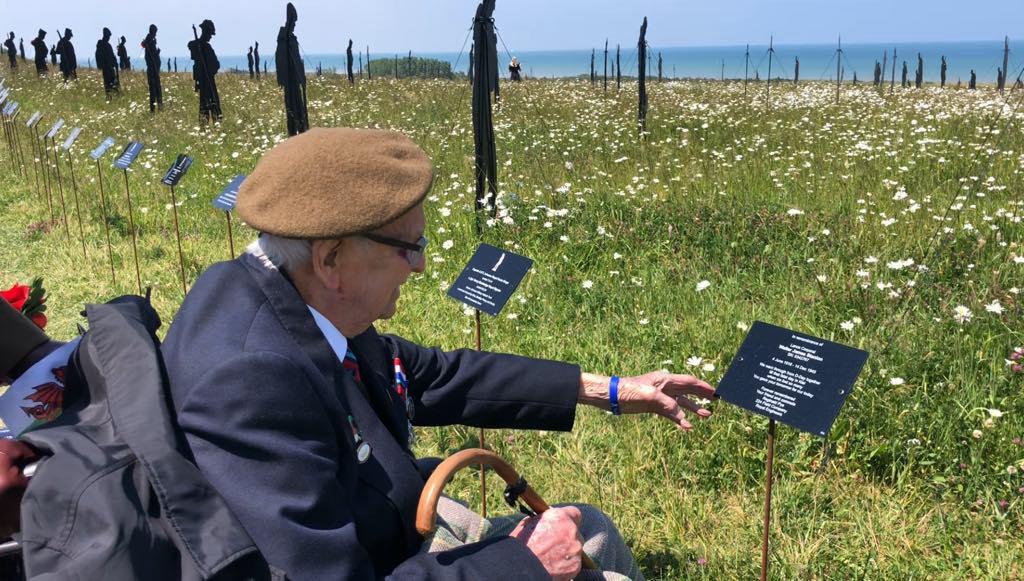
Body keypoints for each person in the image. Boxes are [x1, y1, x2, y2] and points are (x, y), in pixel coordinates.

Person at [163, 128, 714, 580]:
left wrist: (610, 391)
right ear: (331, 258)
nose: (421, 266)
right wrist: (523, 563)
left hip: (386, 522)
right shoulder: (249, 380)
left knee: (589, 528)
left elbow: (430, 376)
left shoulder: (288, 295)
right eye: (410, 247)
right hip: (382, 555)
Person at [275, 3, 307, 136]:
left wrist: (301, 76)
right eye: (293, 22)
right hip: (290, 81)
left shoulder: (291, 39)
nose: (294, 25)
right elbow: (280, 58)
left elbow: (297, 58)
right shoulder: (284, 39)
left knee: (299, 105)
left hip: (295, 79)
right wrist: (283, 78)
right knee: (291, 105)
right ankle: (293, 130)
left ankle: (302, 127)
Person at [187, 19, 221, 122]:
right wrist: (199, 43)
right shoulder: (201, 46)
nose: (210, 36)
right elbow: (214, 64)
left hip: (207, 79)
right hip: (206, 80)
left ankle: (209, 124)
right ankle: (212, 124)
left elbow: (215, 65)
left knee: (207, 104)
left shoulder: (202, 46)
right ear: (205, 32)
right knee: (211, 104)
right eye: (210, 34)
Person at [141, 24, 162, 112]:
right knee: (154, 90)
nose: (156, 34)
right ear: (152, 31)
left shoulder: (150, 41)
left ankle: (159, 108)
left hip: (155, 69)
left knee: (157, 89)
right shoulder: (149, 41)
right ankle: (154, 109)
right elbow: (151, 56)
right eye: (155, 32)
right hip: (152, 70)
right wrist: (157, 52)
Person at [95, 28, 119, 97]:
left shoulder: (108, 45)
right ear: (105, 35)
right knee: (108, 87)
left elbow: (112, 56)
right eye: (108, 36)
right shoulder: (101, 45)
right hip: (106, 69)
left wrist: (115, 64)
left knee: (114, 86)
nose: (109, 38)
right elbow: (99, 56)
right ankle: (109, 99)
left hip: (111, 69)